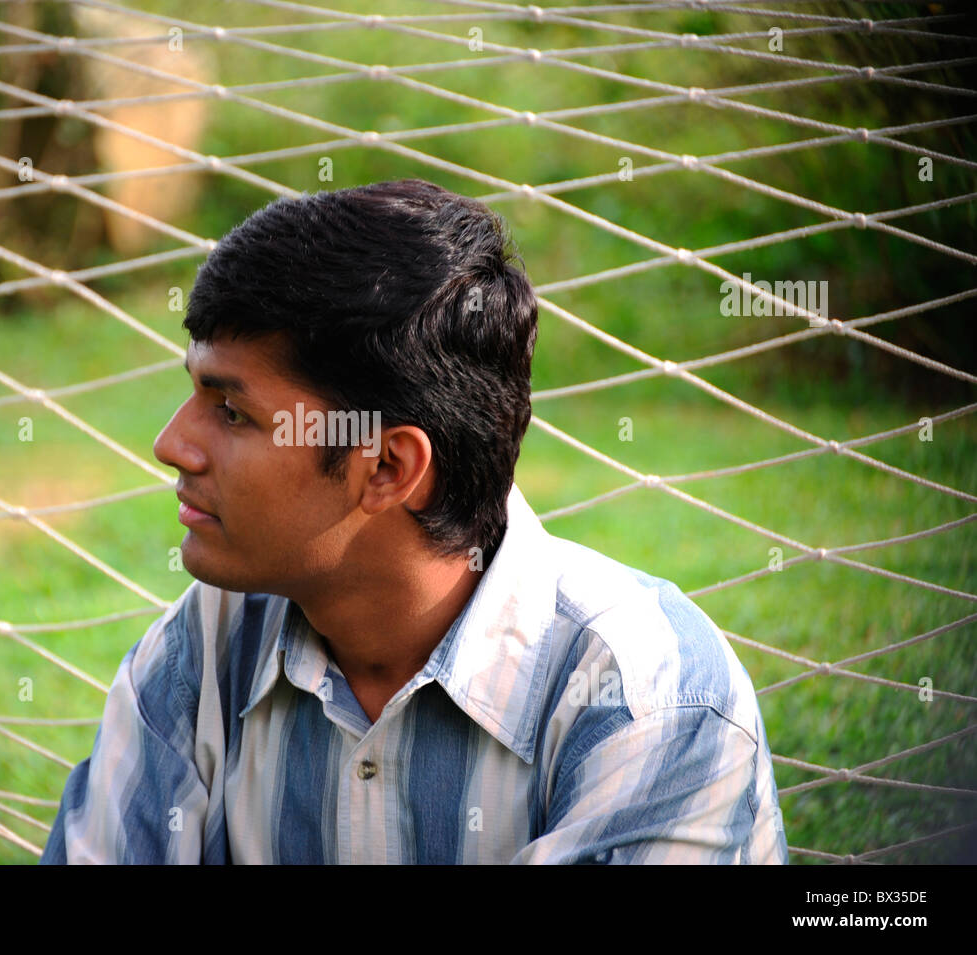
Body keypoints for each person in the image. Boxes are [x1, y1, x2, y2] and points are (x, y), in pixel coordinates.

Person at [40, 178, 787, 864]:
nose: (171, 444)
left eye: (232, 411)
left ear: (389, 468)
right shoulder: (204, 651)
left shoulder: (649, 697)